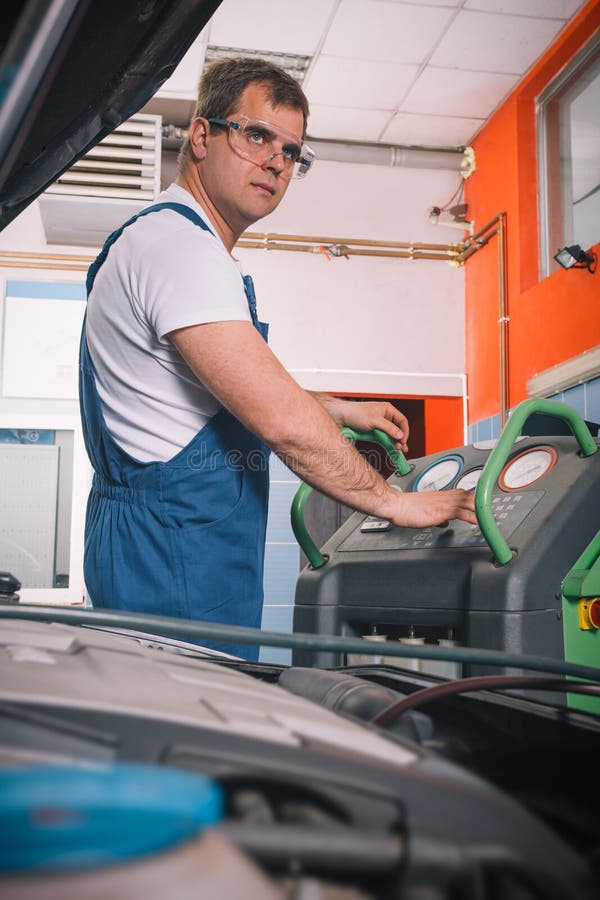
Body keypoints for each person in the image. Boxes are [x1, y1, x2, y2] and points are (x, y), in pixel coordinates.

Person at [80, 57, 476, 659]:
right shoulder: (181, 250)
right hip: (173, 557)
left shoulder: (161, 240)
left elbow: (213, 392)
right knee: (192, 739)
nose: (275, 161)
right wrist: (399, 503)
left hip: (158, 546)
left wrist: (336, 408)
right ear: (203, 134)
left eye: (292, 152)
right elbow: (279, 422)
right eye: (256, 134)